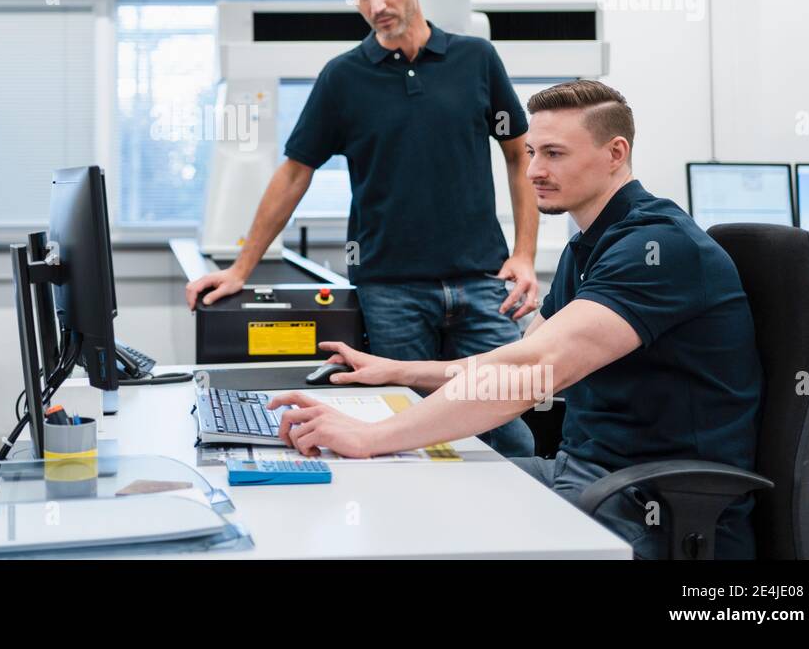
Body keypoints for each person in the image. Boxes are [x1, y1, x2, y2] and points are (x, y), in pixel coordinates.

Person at [266, 80, 764, 559]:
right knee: (398, 484)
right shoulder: (590, 246)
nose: (532, 171)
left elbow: (532, 372)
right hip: (585, 476)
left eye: (555, 154)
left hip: (652, 504)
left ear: (616, 153)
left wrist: (369, 436)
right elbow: (519, 357)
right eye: (531, 153)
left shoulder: (658, 249)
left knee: (404, 504)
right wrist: (397, 371)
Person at [186, 0, 539, 456]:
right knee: (404, 432)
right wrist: (241, 269)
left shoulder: (476, 59)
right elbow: (293, 174)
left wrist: (526, 255)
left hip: (481, 284)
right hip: (391, 290)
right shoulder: (343, 78)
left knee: (510, 434)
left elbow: (519, 154)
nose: (376, 4)